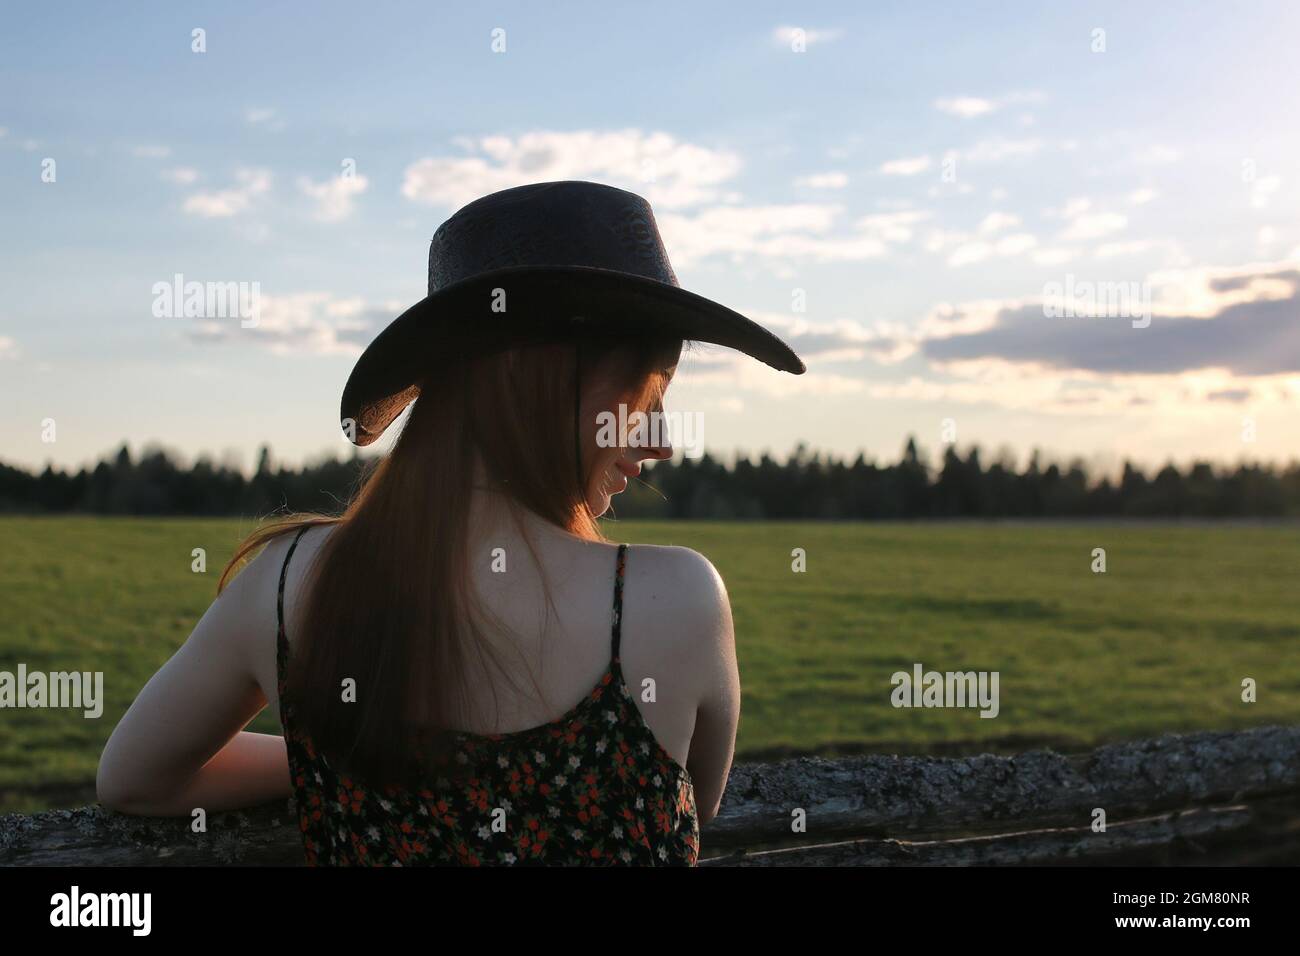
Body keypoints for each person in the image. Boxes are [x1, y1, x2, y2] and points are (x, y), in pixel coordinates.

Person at [96, 180, 805, 865]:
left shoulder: (286, 584)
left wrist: (333, 755)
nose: (659, 441)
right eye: (643, 396)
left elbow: (135, 778)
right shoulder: (673, 599)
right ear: (540, 376)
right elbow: (698, 801)